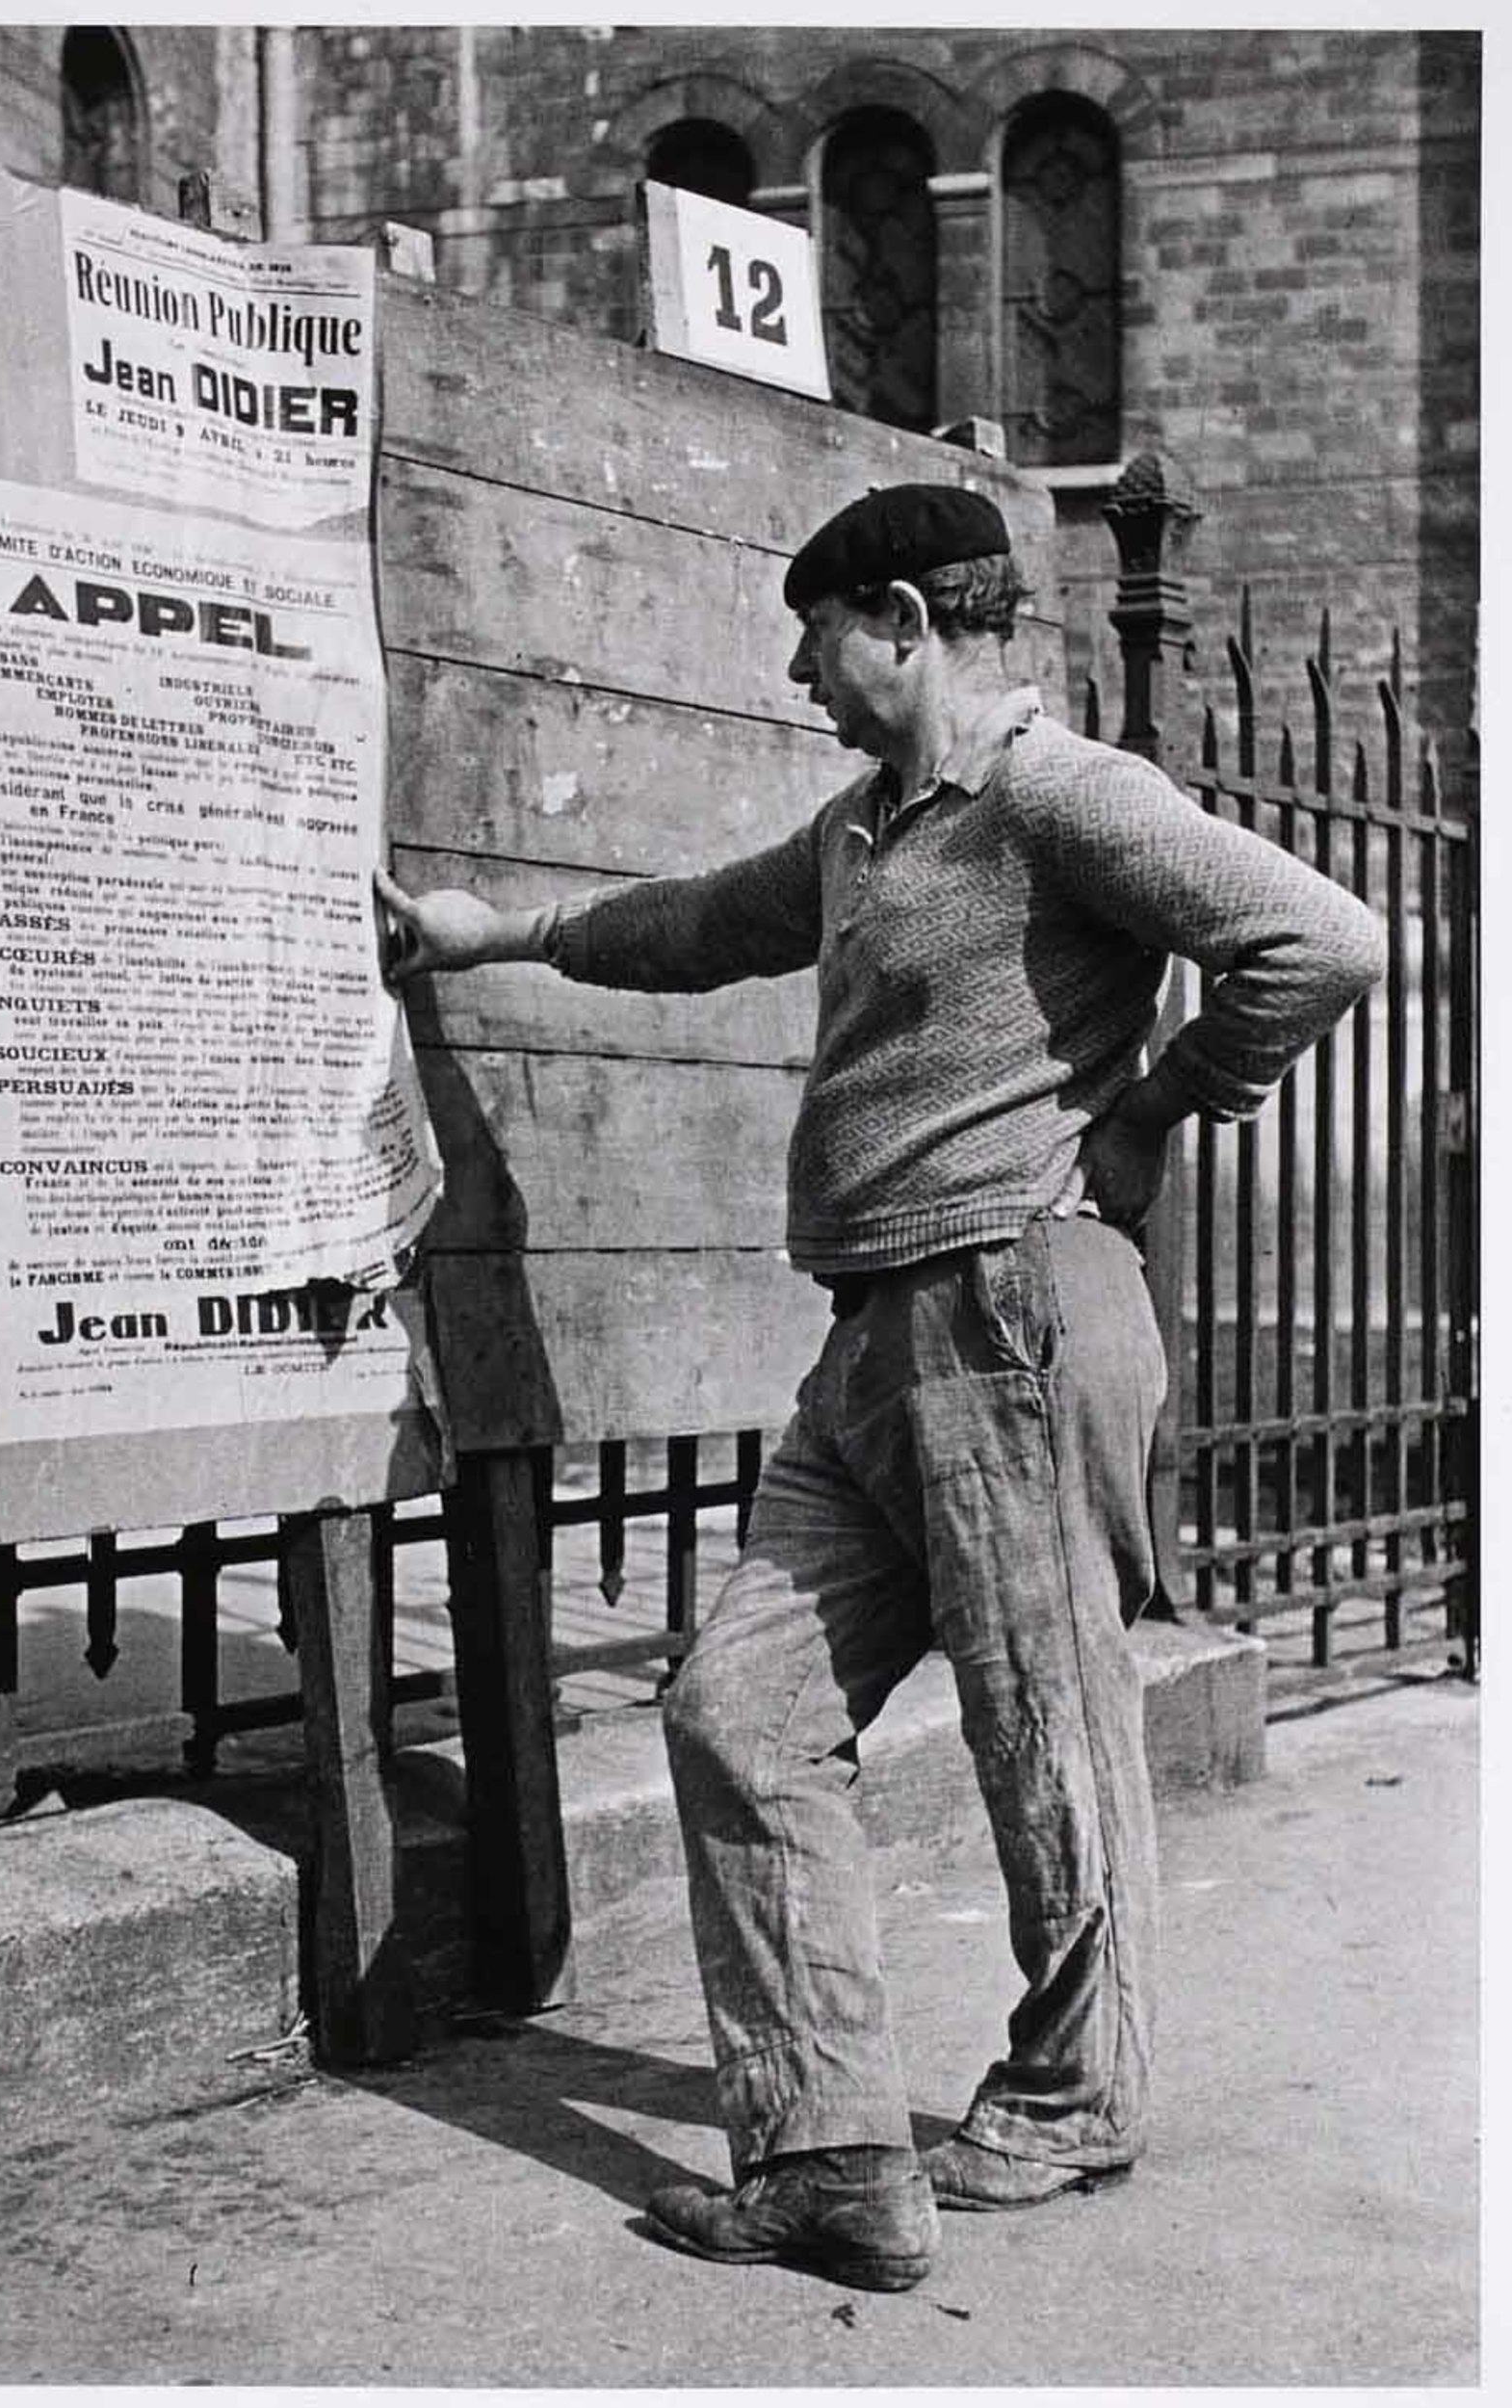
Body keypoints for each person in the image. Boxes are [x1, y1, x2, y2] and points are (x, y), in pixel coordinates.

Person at [374, 483, 1386, 2293]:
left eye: (817, 633)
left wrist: (1157, 1107)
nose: (797, 669)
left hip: (1011, 1309)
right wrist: (484, 937)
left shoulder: (1060, 796)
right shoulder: (867, 833)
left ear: (907, 620)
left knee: (1043, 1732)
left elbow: (1321, 939)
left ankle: (1081, 2092)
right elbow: (694, 924)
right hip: (872, 1344)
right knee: (735, 1717)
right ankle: (833, 2157)